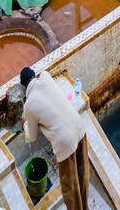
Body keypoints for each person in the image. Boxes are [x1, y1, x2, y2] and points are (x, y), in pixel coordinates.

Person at [20, 67, 89, 210]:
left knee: (70, 188)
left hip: (64, 143)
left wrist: (25, 124)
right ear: (35, 75)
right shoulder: (45, 76)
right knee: (83, 173)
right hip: (79, 127)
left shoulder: (29, 105)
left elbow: (31, 137)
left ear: (23, 87)